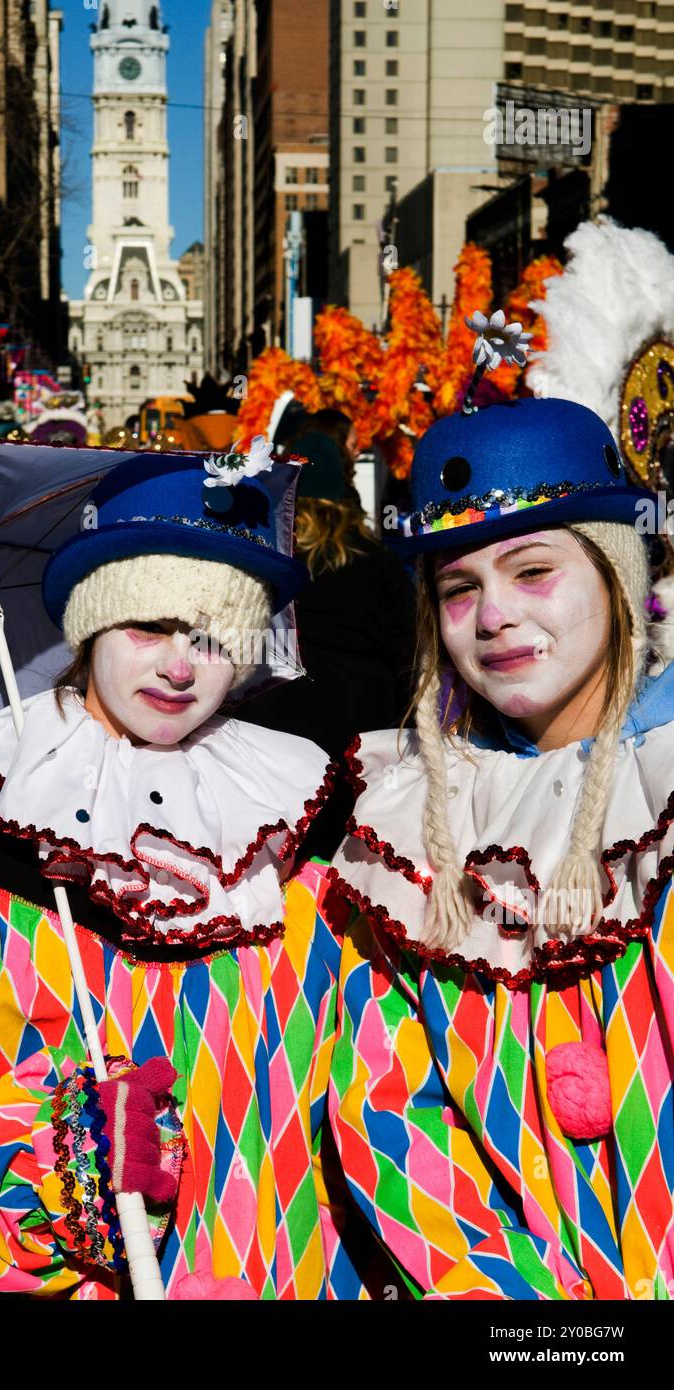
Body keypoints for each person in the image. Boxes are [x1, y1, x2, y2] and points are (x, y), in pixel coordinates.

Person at [0, 449, 369, 1300]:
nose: (179, 669)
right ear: (92, 624)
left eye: (214, 638)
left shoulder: (302, 813)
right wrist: (47, 1155)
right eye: (147, 626)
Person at [324, 389, 674, 1300]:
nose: (492, 618)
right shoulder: (405, 830)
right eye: (458, 589)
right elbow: (390, 1116)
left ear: (615, 575)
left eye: (531, 571)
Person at [244, 429, 417, 856]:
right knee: (350, 847)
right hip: (362, 718)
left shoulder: (270, 557)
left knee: (279, 842)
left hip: (277, 714)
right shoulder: (377, 560)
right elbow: (409, 653)